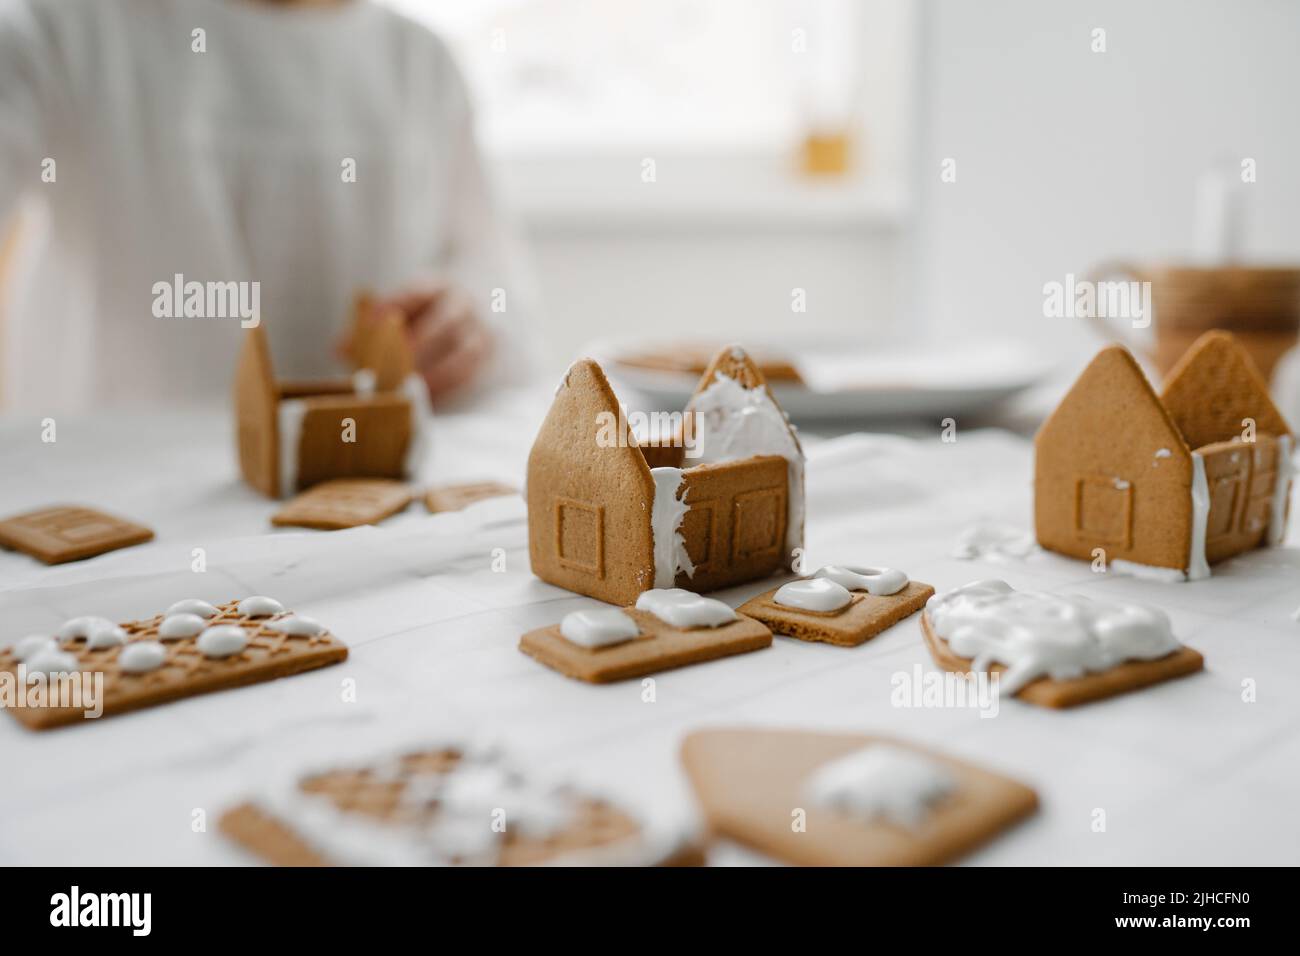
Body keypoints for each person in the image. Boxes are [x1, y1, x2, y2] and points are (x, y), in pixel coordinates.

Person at [0, 0, 535, 412]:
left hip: (370, 514)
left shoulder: (421, 63)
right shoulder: (59, 30)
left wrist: (467, 322)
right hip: (118, 505)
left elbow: (496, 288)